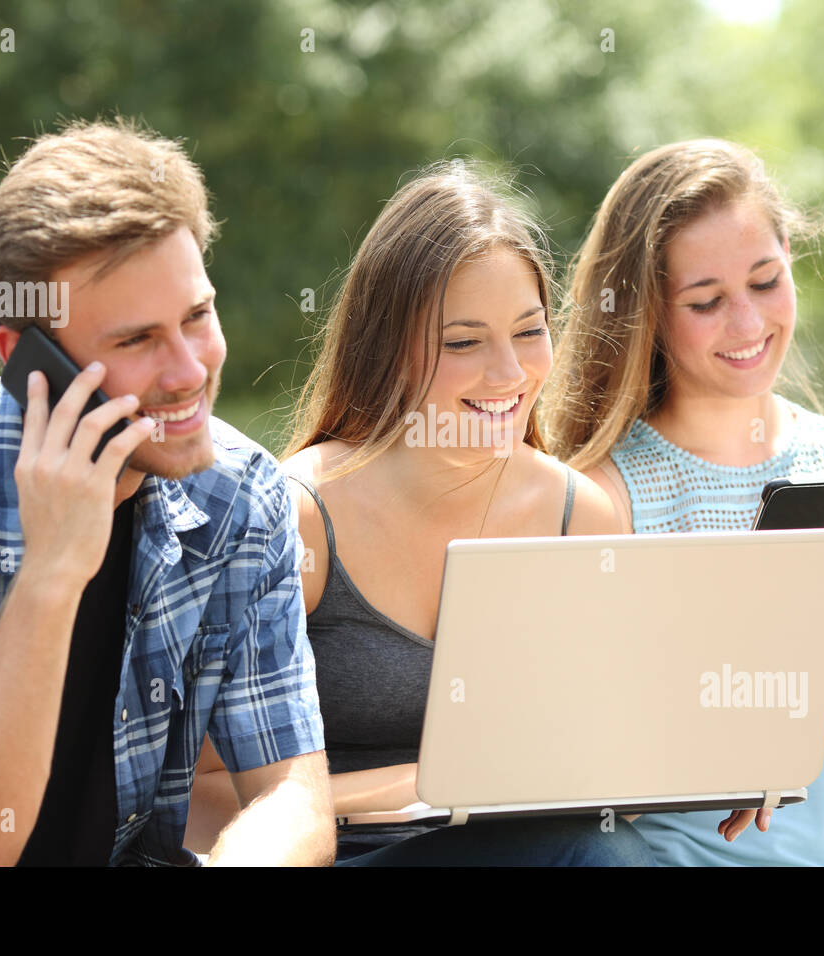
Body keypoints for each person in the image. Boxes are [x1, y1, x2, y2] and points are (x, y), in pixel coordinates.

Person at [0, 118, 334, 866]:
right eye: (136, 341)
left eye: (197, 317)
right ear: (27, 361)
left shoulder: (239, 495)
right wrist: (52, 574)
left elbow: (293, 796)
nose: (188, 371)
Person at [542, 139, 824, 865]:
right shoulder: (600, 497)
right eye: (705, 301)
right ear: (647, 313)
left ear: (790, 255)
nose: (748, 324)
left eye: (765, 281)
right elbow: (579, 781)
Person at [189, 162, 654, 866]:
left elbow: (596, 757)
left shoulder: (579, 516)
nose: (509, 374)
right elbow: (198, 792)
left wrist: (706, 767)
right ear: (387, 349)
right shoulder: (300, 514)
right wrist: (409, 787)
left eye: (530, 332)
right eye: (463, 342)